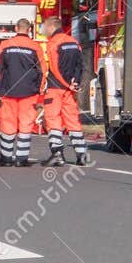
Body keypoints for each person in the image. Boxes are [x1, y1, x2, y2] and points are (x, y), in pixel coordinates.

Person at [0, 19, 45, 167]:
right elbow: (43, 71)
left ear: (15, 28)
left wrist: (1, 86)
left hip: (9, 91)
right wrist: (39, 89)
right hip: (29, 92)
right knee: (26, 124)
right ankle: (21, 158)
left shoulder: (6, 45)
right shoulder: (35, 47)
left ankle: (6, 158)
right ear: (30, 29)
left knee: (8, 123)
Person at [40, 16, 89, 166]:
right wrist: (75, 83)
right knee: (73, 121)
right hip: (69, 90)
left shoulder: (53, 43)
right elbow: (81, 65)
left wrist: (66, 84)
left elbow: (55, 68)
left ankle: (57, 155)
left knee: (53, 120)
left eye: (45, 27)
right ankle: (82, 155)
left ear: (51, 27)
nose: (43, 30)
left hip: (56, 88)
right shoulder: (74, 42)